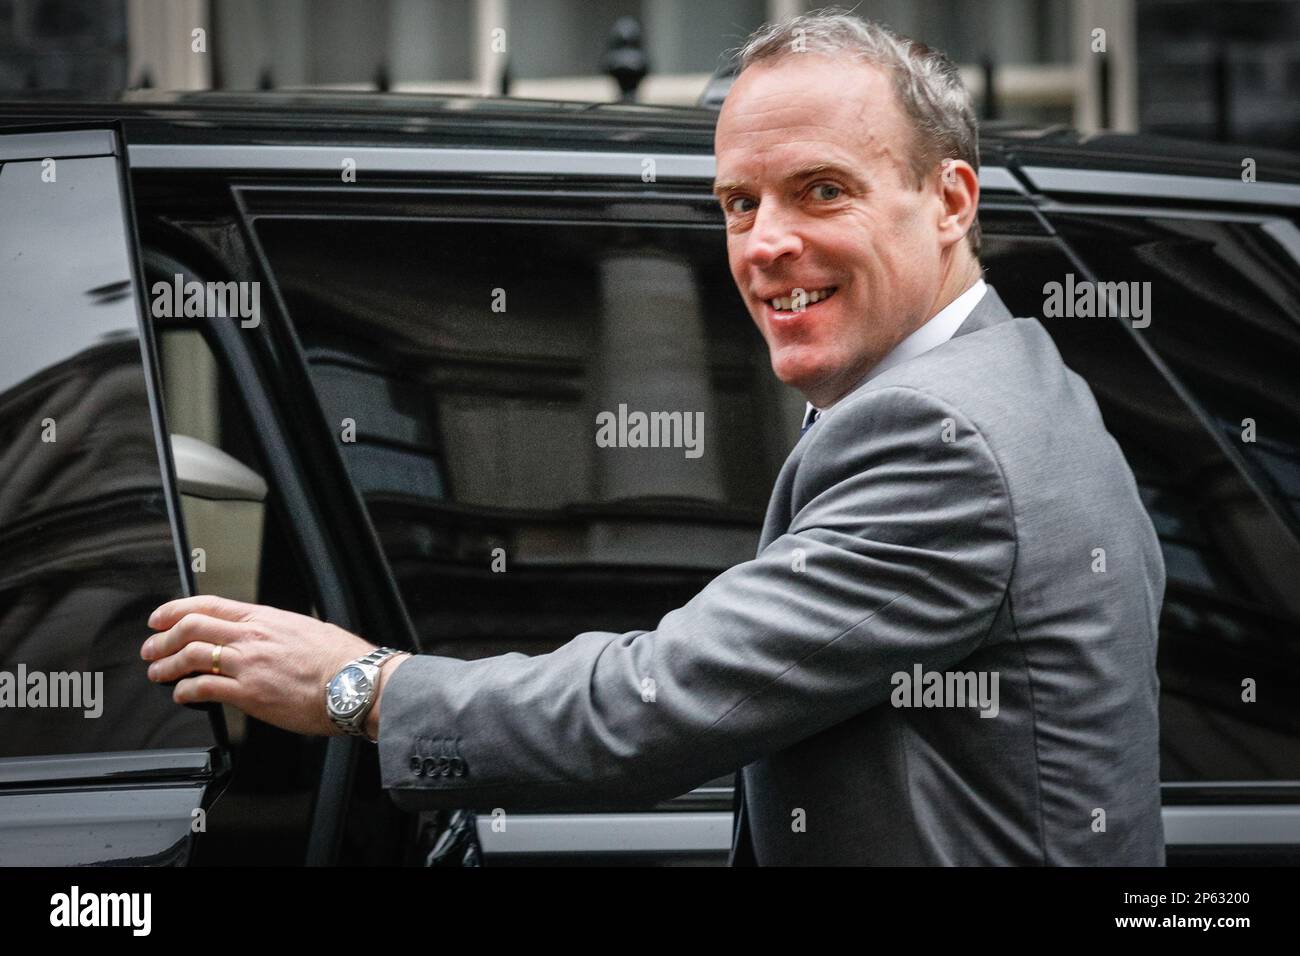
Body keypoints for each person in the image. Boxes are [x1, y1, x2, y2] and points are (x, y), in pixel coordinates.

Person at [140, 10, 1166, 865]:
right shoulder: (1018, 378)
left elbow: (657, 703)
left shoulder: (941, 434)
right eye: (737, 202)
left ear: (948, 201)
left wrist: (359, 685)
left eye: (821, 190)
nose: (765, 244)